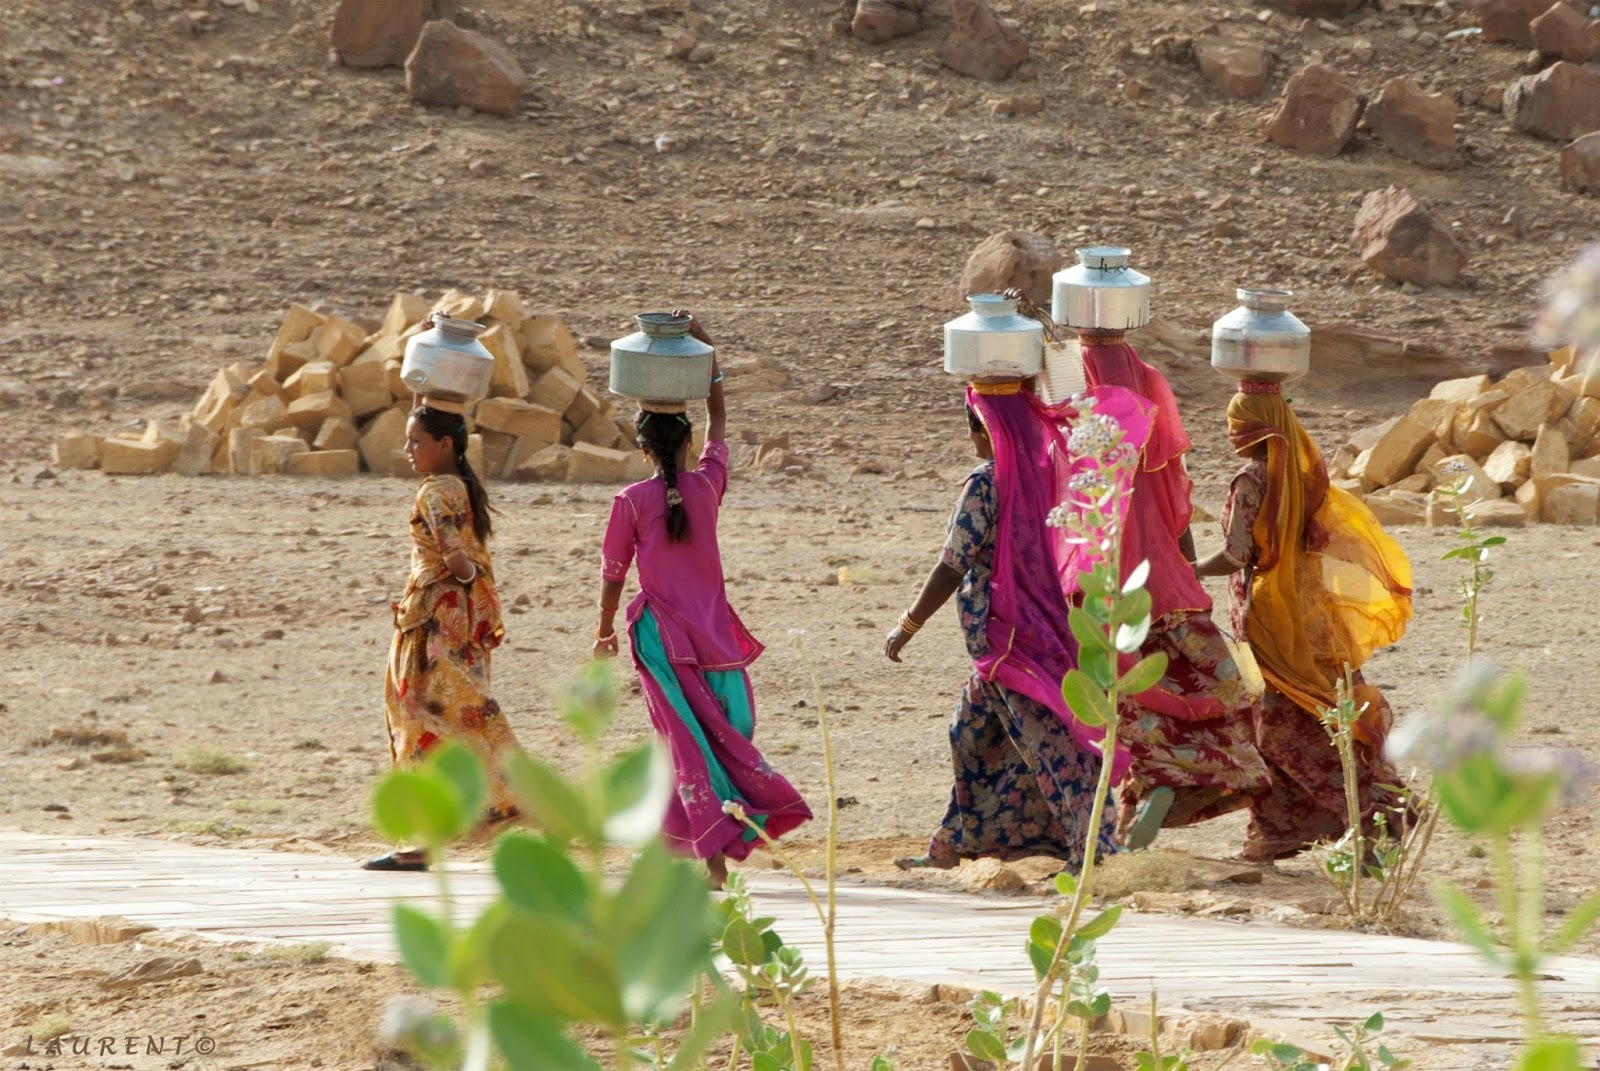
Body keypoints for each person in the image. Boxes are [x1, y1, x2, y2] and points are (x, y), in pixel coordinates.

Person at [883, 380, 1143, 872]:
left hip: (1007, 636)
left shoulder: (986, 482)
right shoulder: (1049, 475)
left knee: (1053, 743)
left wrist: (908, 624)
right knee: (972, 733)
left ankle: (1093, 851)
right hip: (1046, 626)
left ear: (983, 431)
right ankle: (955, 843)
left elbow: (952, 564)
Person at [593, 312, 811, 888]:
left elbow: (613, 572)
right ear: (687, 443)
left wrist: (604, 629)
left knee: (687, 744)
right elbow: (719, 419)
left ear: (642, 447)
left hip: (663, 639)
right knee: (722, 737)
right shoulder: (708, 483)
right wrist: (708, 354)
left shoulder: (632, 500)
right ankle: (697, 855)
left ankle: (693, 855)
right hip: (713, 637)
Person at [1194, 380, 1413, 863]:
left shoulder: (1250, 481)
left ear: (1255, 426)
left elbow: (1237, 554)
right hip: (1311, 610)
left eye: (1238, 421)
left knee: (1281, 727)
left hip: (1270, 617)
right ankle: (1275, 832)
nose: (1232, 432)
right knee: (1321, 708)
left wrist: (1188, 569)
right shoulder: (1303, 472)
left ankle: (1378, 814)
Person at [1072, 336, 1270, 850]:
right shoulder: (1149, 436)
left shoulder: (1086, 450)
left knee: (1125, 698)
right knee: (1198, 686)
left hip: (1107, 585)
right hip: (1167, 583)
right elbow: (1179, 512)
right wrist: (1186, 574)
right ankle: (1197, 778)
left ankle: (1147, 787)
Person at [366, 403, 525, 872]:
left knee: (418, 714)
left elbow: (455, 557)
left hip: (433, 622)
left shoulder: (435, 492)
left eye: (416, 441)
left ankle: (498, 803)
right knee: (455, 712)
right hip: (460, 621)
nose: (408, 450)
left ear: (445, 445)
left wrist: (463, 570)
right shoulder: (464, 487)